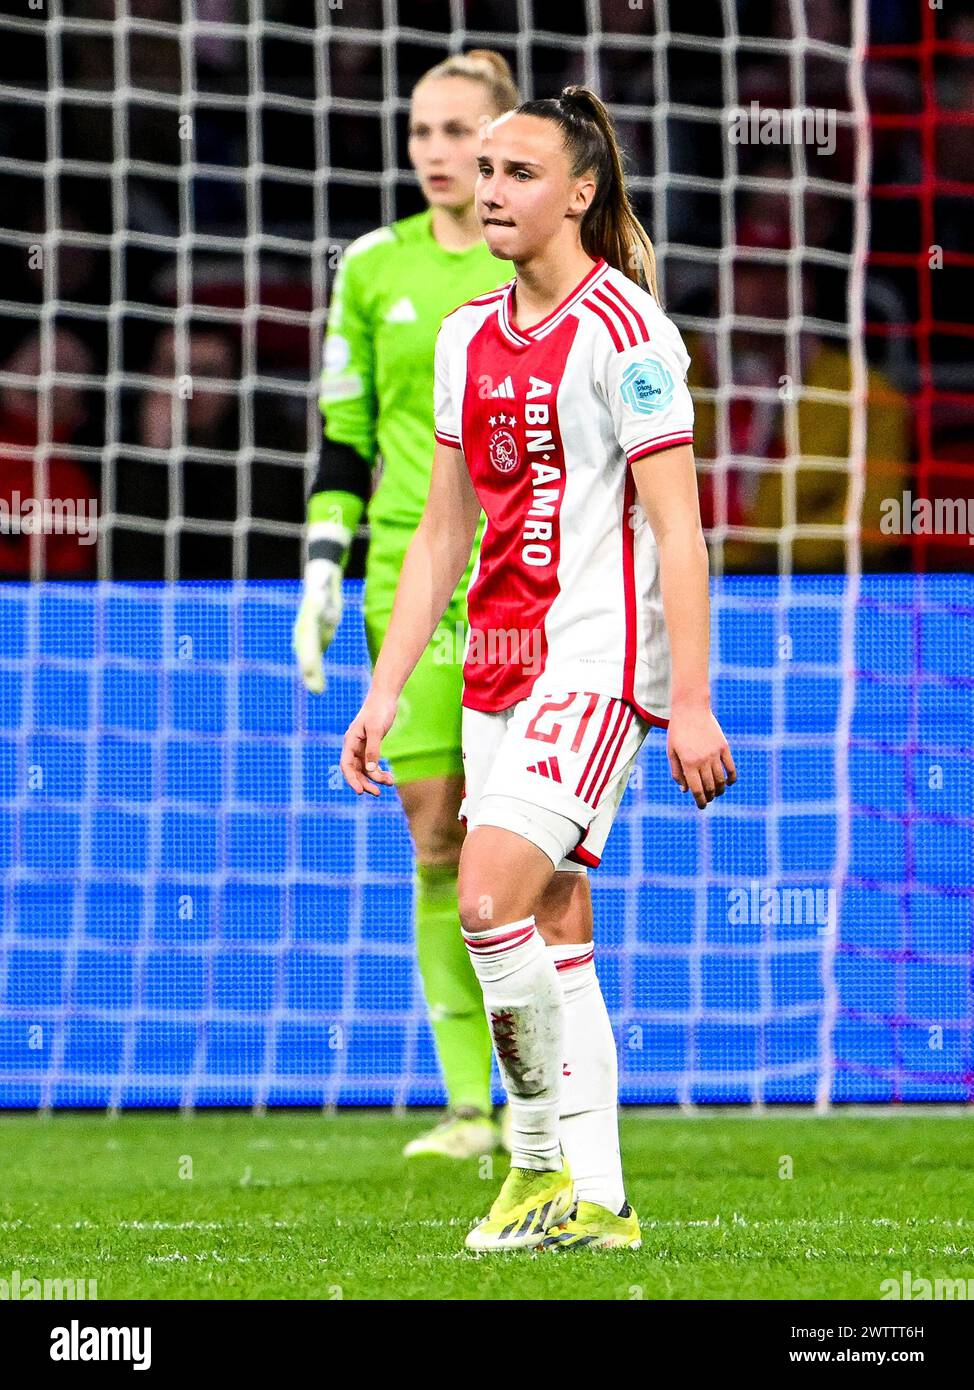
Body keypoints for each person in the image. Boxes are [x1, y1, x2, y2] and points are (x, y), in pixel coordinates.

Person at [340, 86, 736, 1252]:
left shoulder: (629, 335)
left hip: (596, 664)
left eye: (517, 171)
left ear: (579, 192)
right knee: (556, 925)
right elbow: (439, 533)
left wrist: (692, 699)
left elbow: (678, 528)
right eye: (484, 166)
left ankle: (531, 1170)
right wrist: (384, 686)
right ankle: (600, 1198)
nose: (488, 184)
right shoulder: (467, 331)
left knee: (483, 896)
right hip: (491, 668)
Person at [294, 52, 522, 1159]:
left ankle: (543, 1089)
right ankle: (469, 1105)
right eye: (420, 132)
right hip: (410, 577)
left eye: (457, 134)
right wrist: (323, 565)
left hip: (530, 578)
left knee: (523, 844)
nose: (434, 153)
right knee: (437, 833)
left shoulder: (539, 264)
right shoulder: (372, 267)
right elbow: (344, 432)